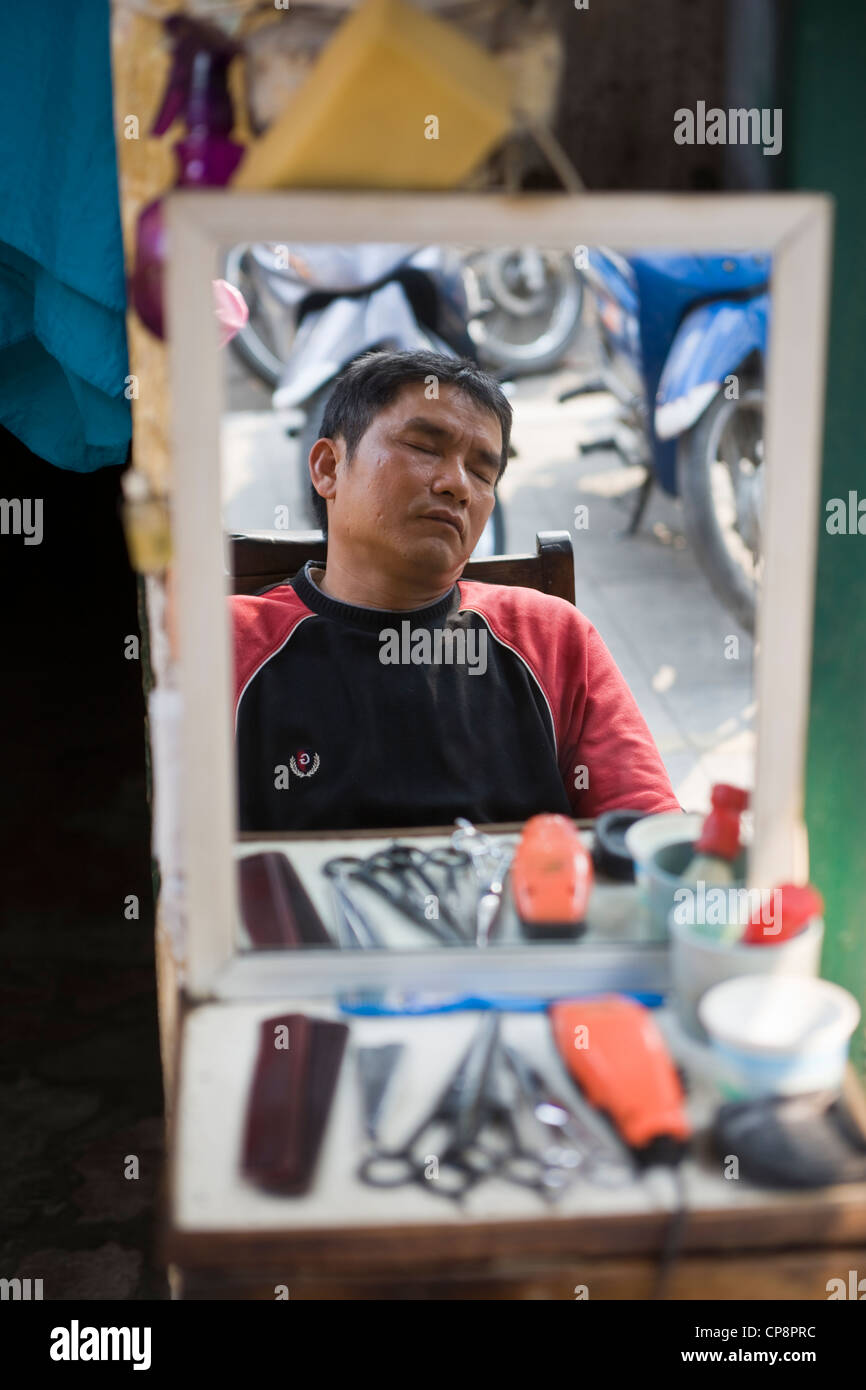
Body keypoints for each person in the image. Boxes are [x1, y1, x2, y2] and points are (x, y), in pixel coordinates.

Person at [231, 349, 680, 831]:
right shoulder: (229, 645)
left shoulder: (550, 637)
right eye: (425, 447)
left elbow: (648, 841)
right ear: (327, 468)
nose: (457, 485)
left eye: (483, 471)